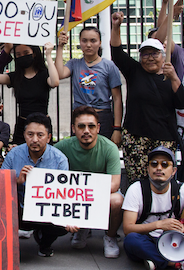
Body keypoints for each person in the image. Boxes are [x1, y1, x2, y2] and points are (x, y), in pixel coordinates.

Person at [110, 11, 184, 185]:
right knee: (137, 183)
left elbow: (183, 103)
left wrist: (175, 77)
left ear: (163, 55)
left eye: (154, 54)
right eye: (145, 54)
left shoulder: (170, 76)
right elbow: (116, 53)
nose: (150, 58)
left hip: (164, 139)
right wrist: (116, 27)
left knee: (162, 183)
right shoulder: (135, 71)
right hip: (135, 138)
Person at [122, 146, 184, 270]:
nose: (159, 168)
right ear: (148, 169)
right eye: (154, 164)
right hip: (149, 239)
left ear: (173, 171)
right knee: (131, 241)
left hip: (175, 241)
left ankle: (157, 261)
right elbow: (128, 228)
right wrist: (159, 225)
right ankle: (178, 264)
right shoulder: (136, 189)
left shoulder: (182, 189)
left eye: (165, 164)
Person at [53, 106, 123, 258]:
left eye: (91, 126)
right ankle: (82, 228)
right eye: (81, 126)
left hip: (97, 194)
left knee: (117, 200)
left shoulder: (109, 148)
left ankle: (110, 236)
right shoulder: (62, 147)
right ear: (73, 128)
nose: (86, 130)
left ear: (98, 128)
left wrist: (86, 192)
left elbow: (115, 184)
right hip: (74, 196)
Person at [1, 112, 71, 257]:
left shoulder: (59, 159)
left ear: (49, 137)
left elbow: (64, 194)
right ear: (24, 135)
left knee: (63, 226)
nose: (34, 139)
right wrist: (17, 181)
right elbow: (0, 186)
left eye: (40, 135)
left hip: (46, 210)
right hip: (19, 208)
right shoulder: (14, 155)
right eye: (30, 134)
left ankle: (44, 242)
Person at [56, 27, 123, 143]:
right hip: (79, 116)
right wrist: (60, 47)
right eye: (84, 40)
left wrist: (117, 128)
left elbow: (117, 99)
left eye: (93, 41)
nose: (88, 45)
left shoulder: (109, 66)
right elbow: (59, 74)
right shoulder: (74, 63)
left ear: (100, 43)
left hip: (102, 117)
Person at [0, 42, 60, 145]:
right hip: (22, 125)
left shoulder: (44, 75)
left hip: (42, 125)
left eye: (26, 53)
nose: (22, 56)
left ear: (34, 53)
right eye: (18, 54)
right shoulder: (15, 77)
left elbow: (55, 82)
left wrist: (48, 55)